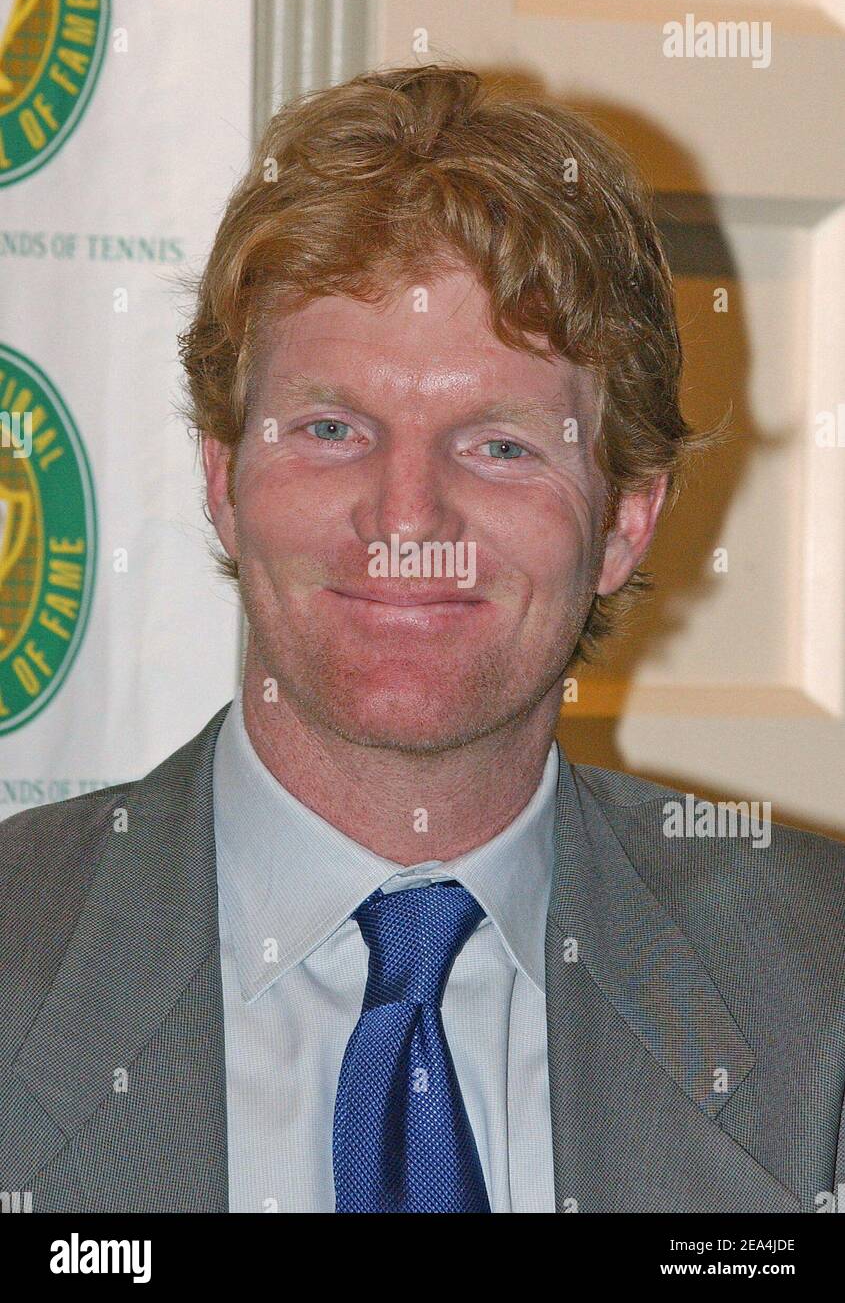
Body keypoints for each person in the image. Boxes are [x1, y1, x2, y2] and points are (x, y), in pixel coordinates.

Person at [2, 65, 843, 1214]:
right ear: (221, 481)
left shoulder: (819, 986)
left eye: (498, 444)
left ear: (622, 521)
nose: (404, 521)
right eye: (332, 427)